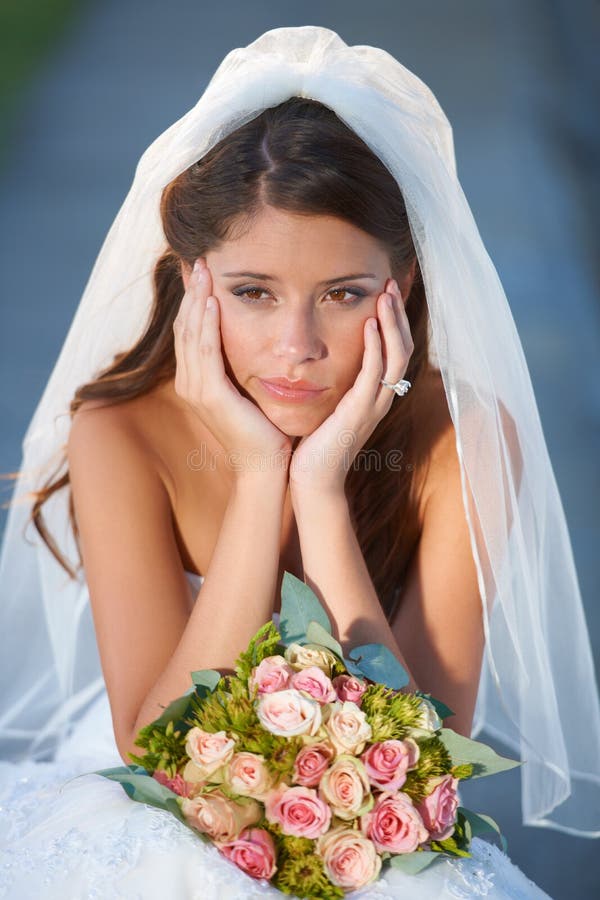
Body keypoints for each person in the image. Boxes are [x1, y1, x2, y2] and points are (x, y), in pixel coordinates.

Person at [0, 24, 598, 899]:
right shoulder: (121, 432)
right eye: (252, 293)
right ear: (191, 279)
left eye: (346, 295)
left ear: (406, 286)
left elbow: (432, 763)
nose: (297, 347)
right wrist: (256, 477)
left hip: (377, 828)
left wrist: (319, 492)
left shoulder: (460, 438)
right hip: (161, 804)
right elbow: (155, 745)